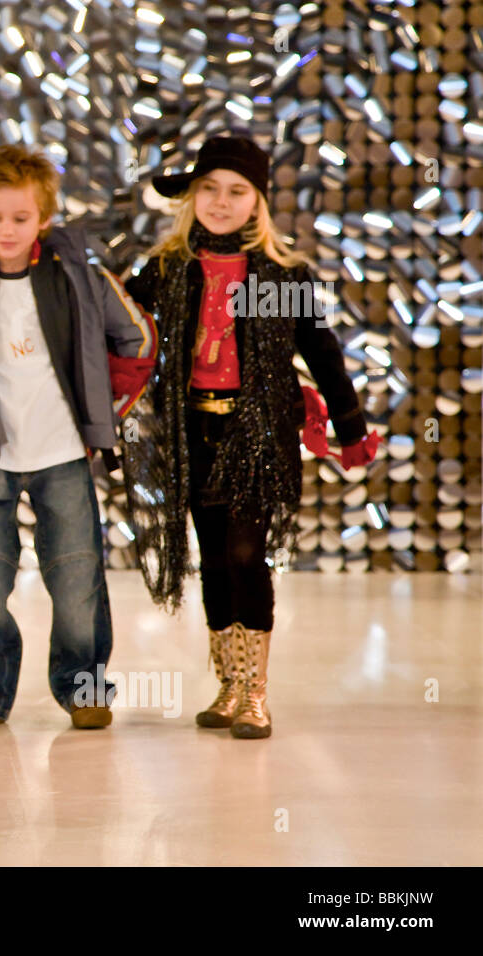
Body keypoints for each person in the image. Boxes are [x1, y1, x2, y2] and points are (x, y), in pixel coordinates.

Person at [123, 134, 379, 739]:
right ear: (191, 197)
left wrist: (352, 430)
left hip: (257, 431)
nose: (220, 201)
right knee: (212, 558)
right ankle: (227, 685)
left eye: (236, 191)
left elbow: (324, 355)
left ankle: (256, 692)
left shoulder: (281, 274)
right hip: (193, 432)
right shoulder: (168, 269)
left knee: (245, 552)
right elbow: (115, 325)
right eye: (208, 188)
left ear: (257, 202)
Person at [0, 144, 156, 732]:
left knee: (77, 576)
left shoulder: (78, 275)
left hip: (64, 455)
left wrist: (98, 418)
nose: (7, 229)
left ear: (45, 219)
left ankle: (84, 690)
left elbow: (138, 340)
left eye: (21, 218)